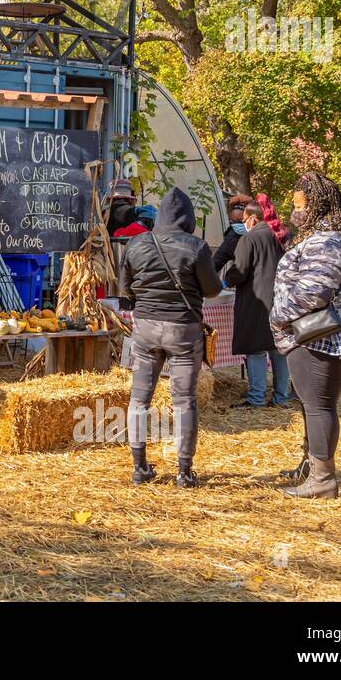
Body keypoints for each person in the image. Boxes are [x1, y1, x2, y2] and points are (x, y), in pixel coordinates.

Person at [270, 174, 341, 499]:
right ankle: (311, 466)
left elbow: (313, 293)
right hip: (317, 331)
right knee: (312, 404)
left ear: (315, 204)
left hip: (318, 333)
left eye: (298, 205)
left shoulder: (328, 241)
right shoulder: (330, 237)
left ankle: (323, 479)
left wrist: (278, 315)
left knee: (318, 405)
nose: (294, 210)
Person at [117, 187, 221, 488]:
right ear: (188, 218)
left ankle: (139, 468)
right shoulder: (196, 246)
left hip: (146, 327)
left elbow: (125, 288)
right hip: (183, 329)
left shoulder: (137, 244)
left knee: (139, 398)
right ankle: (184, 472)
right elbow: (213, 290)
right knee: (185, 401)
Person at [220, 200, 289, 408]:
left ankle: (256, 398)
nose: (243, 224)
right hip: (283, 300)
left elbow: (239, 271)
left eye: (243, 220)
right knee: (279, 349)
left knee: (256, 350)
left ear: (252, 219)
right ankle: (281, 398)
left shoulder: (250, 238)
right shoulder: (284, 237)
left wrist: (223, 282)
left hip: (256, 301)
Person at [212, 193, 253, 271]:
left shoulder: (232, 237)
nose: (238, 226)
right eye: (234, 222)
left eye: (241, 221)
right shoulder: (263, 234)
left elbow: (215, 264)